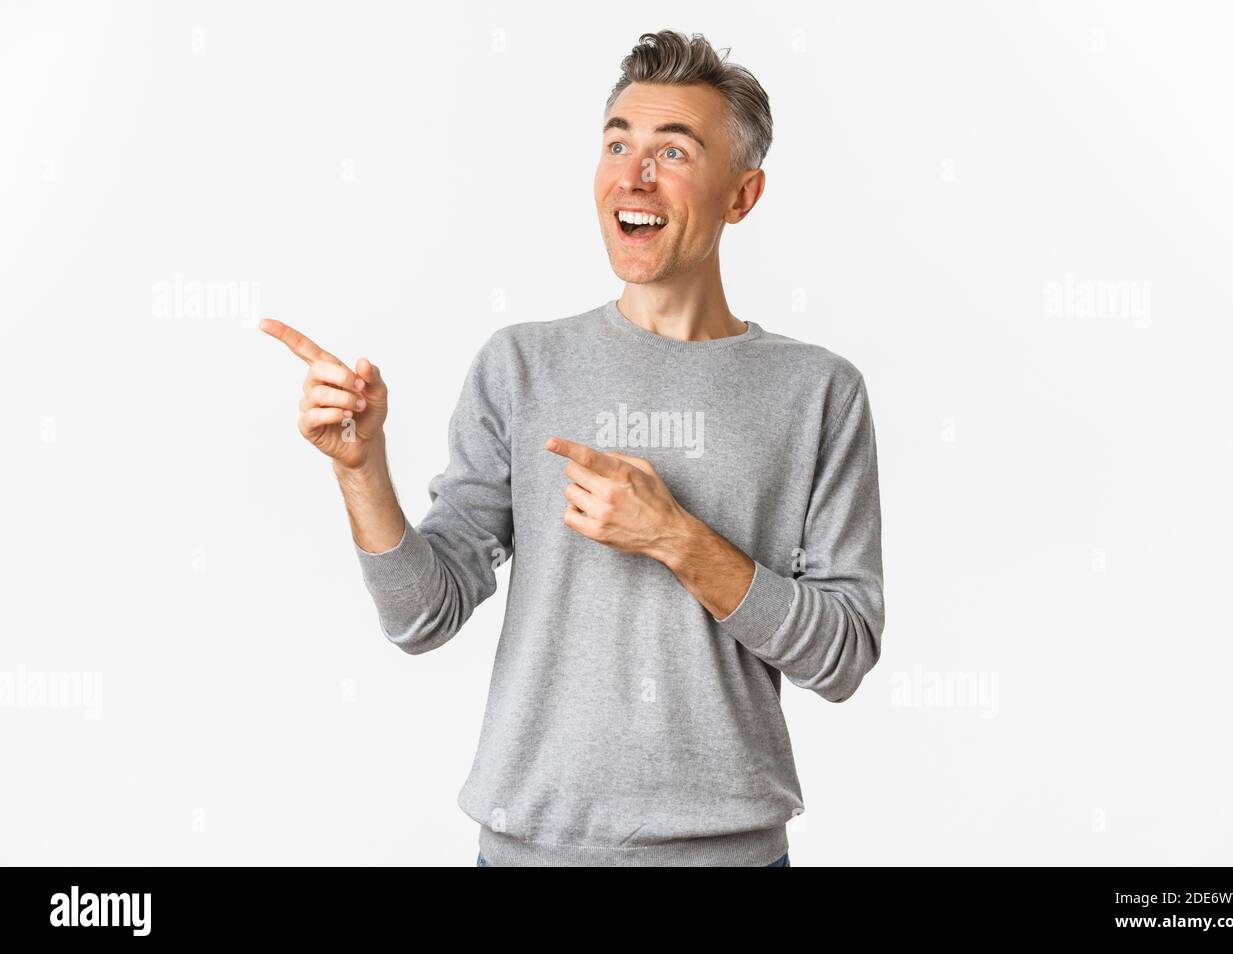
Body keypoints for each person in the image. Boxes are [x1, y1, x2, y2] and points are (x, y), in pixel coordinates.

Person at [261, 29, 884, 867]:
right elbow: (421, 616)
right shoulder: (522, 366)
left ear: (743, 195)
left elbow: (843, 654)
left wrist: (677, 538)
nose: (634, 175)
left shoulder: (817, 392)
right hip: (529, 851)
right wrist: (361, 470)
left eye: (673, 151)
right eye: (618, 144)